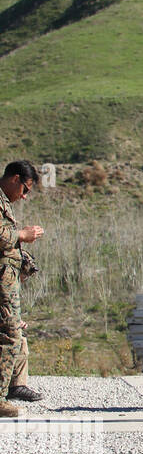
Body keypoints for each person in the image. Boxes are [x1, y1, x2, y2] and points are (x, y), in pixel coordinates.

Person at [0, 160, 45, 417]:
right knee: (9, 335)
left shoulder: (5, 202)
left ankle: (15, 386)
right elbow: (2, 236)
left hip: (7, 280)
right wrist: (21, 235)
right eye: (25, 190)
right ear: (15, 179)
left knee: (14, 331)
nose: (25, 197)